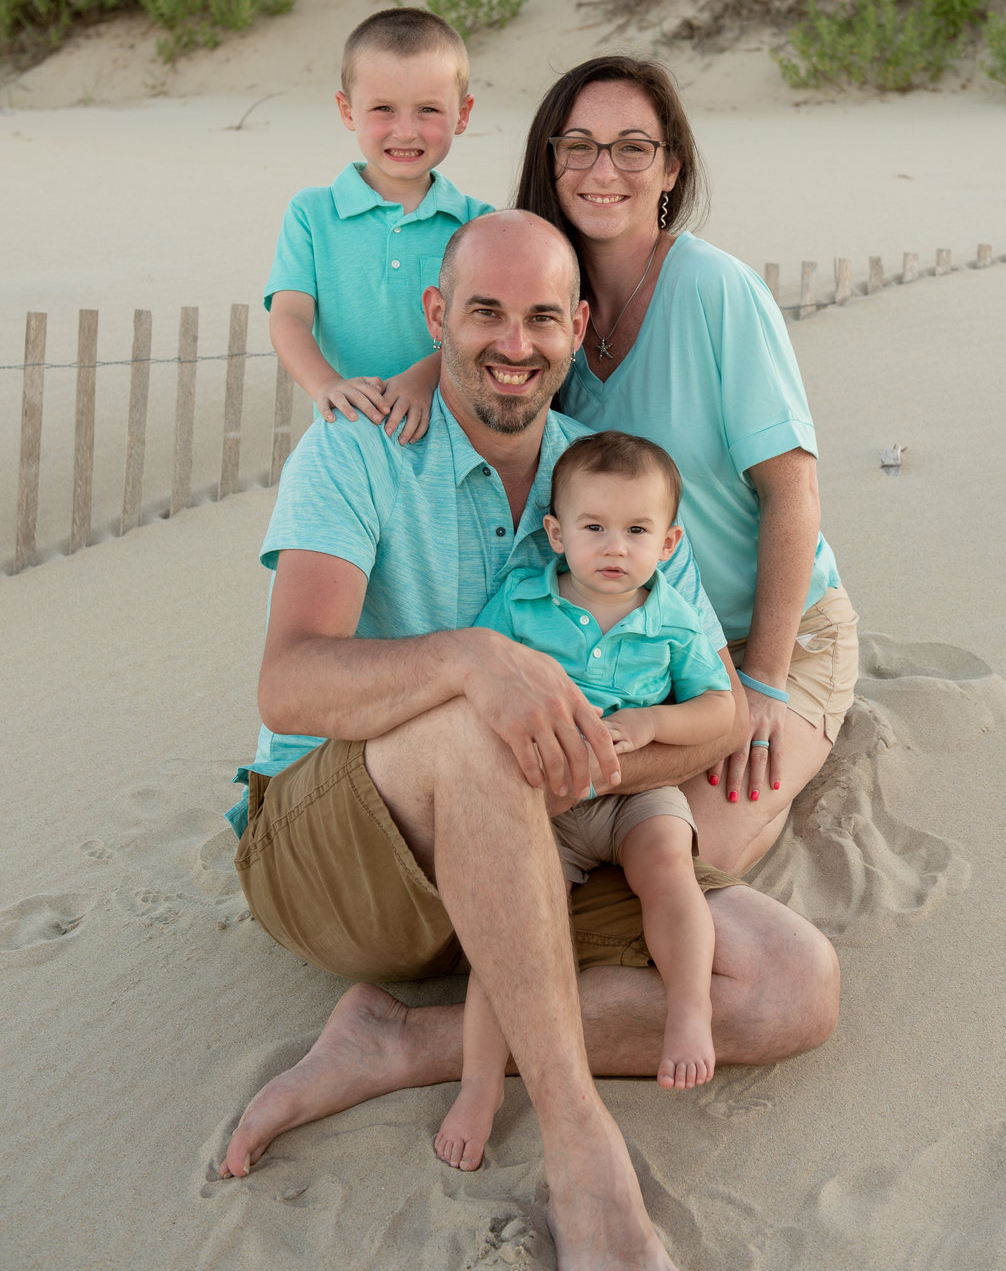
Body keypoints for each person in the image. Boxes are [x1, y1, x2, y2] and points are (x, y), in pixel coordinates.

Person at [221, 212, 840, 1271]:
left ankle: (405, 1039)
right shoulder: (357, 447)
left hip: (538, 841)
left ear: (577, 325)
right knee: (476, 722)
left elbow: (718, 711)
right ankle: (579, 1151)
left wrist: (595, 749)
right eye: (485, 312)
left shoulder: (606, 480)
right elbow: (290, 679)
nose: (514, 342)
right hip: (343, 849)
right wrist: (467, 658)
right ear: (436, 318)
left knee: (791, 984)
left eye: (542, 315)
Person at [514, 57, 860, 877]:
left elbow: (793, 492)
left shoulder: (715, 290)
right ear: (549, 160)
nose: (604, 171)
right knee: (541, 835)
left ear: (670, 167)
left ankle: (428, 1019)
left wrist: (764, 684)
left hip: (777, 638)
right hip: (645, 654)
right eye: (580, 146)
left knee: (691, 855)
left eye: (633, 148)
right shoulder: (548, 309)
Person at [435, 430, 736, 1173]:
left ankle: (688, 1008)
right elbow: (474, 688)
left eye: (635, 531)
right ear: (555, 533)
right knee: (512, 919)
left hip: (638, 790)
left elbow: (720, 711)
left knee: (667, 864)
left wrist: (656, 722)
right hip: (551, 803)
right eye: (593, 527)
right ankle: (479, 1085)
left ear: (667, 542)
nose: (613, 547)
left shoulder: (672, 619)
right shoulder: (521, 601)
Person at [266, 6, 491, 439]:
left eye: (428, 110)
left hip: (453, 435)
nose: (405, 131)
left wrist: (424, 378)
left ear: (462, 114)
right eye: (383, 108)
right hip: (349, 432)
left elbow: (486, 332)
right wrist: (327, 384)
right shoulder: (312, 214)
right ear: (347, 110)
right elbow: (289, 319)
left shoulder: (479, 225)